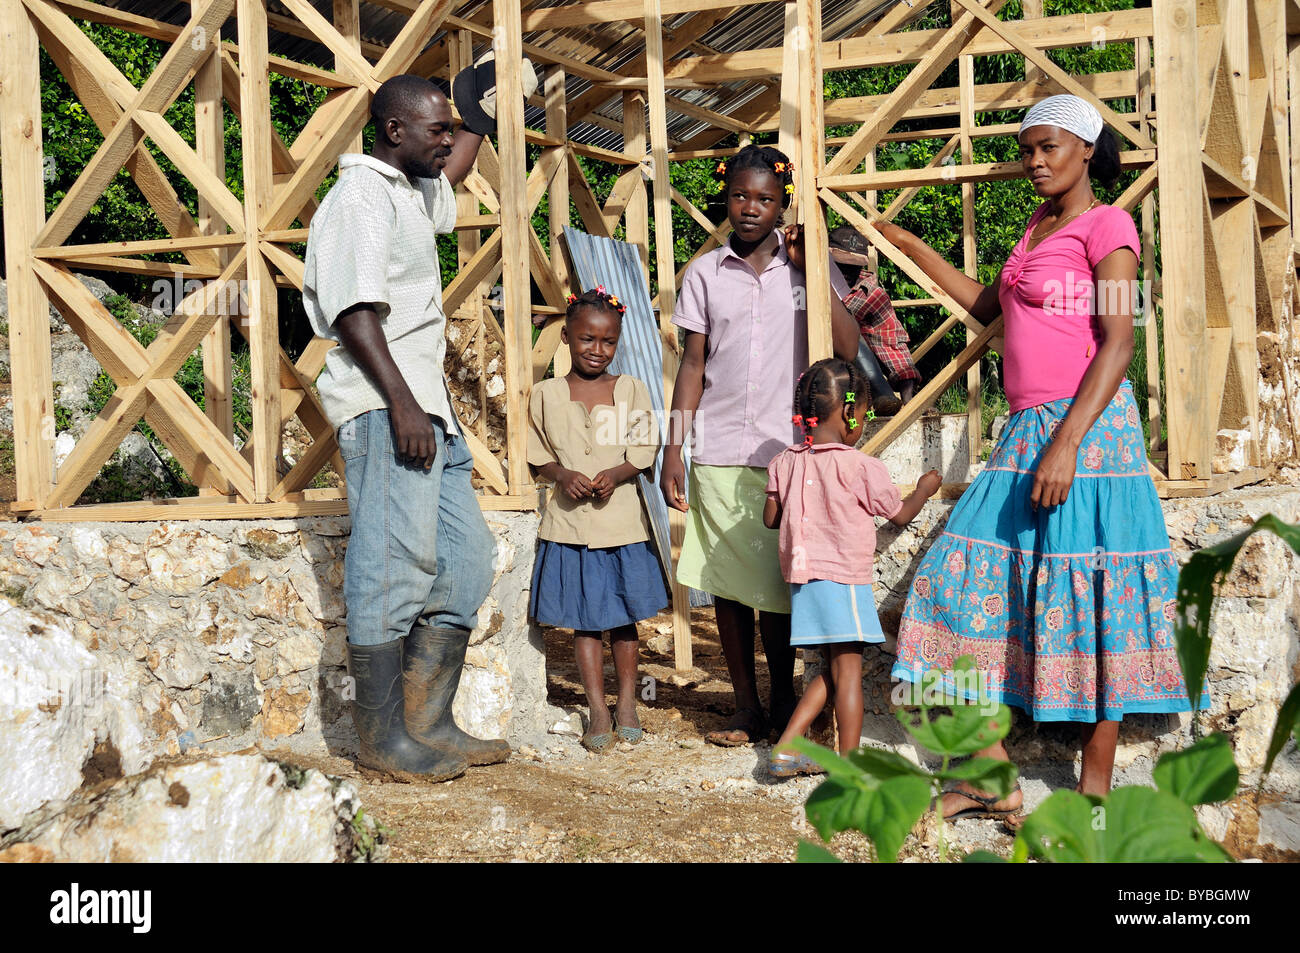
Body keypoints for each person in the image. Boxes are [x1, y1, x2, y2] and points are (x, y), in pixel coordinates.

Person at [879, 95, 1204, 825]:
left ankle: (1092, 799)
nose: (1034, 161)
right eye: (1026, 149)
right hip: (1025, 433)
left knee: (1096, 604)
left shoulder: (1110, 226)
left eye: (1048, 147)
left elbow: (1120, 340)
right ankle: (993, 778)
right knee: (943, 588)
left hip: (1086, 439)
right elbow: (987, 306)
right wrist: (909, 245)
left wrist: (1066, 443)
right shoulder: (1033, 229)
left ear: (1086, 148)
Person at [303, 64, 533, 782]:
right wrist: (402, 402)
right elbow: (353, 311)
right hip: (386, 406)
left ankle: (430, 723)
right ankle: (382, 742)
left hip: (427, 407)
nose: (449, 143)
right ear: (394, 130)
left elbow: (454, 171)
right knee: (390, 566)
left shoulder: (410, 188)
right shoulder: (361, 199)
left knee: (461, 563)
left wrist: (480, 112)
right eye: (437, 130)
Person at [660, 144, 862, 747]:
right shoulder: (702, 274)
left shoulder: (808, 270)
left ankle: (783, 702)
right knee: (726, 586)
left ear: (784, 205)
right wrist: (674, 446)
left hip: (787, 451)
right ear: (726, 198)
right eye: (740, 197)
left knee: (777, 588)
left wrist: (811, 267)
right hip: (718, 448)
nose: (751, 209)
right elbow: (692, 365)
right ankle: (745, 707)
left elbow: (847, 347)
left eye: (766, 199)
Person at [763, 359, 942, 776]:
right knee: (849, 677)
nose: (861, 425)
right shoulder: (860, 466)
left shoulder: (784, 461)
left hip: (803, 584)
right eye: (862, 416)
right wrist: (924, 489)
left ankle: (787, 748)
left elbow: (771, 518)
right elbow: (898, 516)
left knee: (831, 669)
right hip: (843, 581)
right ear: (848, 415)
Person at [527, 289, 667, 754]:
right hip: (570, 528)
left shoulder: (629, 390)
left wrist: (618, 473)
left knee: (624, 619)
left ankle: (628, 701)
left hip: (621, 524)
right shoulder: (545, 394)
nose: (597, 350)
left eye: (608, 342)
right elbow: (535, 449)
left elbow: (645, 445)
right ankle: (597, 707)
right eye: (587, 339)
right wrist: (561, 474)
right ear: (566, 336)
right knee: (585, 622)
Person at [827, 225, 923, 410]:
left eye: (853, 265)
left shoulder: (869, 295)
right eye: (841, 264)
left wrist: (907, 392)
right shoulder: (804, 281)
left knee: (849, 328)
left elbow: (890, 340)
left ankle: (882, 397)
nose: (847, 271)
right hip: (812, 367)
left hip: (851, 378)